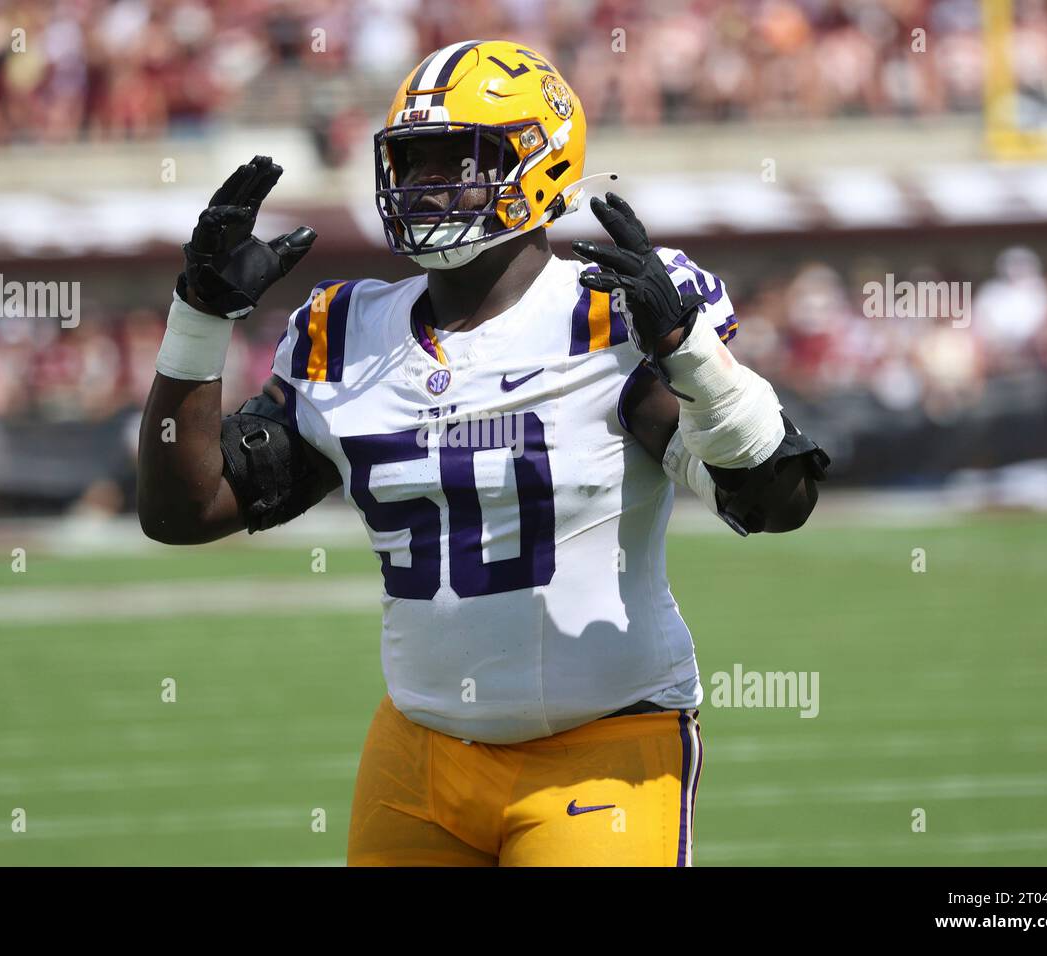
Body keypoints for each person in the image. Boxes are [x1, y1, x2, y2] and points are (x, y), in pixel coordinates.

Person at [137, 40, 829, 866]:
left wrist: (691, 355)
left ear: (540, 165)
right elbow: (183, 511)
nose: (425, 185)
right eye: (412, 162)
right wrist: (198, 320)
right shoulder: (345, 334)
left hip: (602, 750)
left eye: (455, 160)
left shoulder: (605, 316)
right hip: (418, 750)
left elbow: (773, 501)